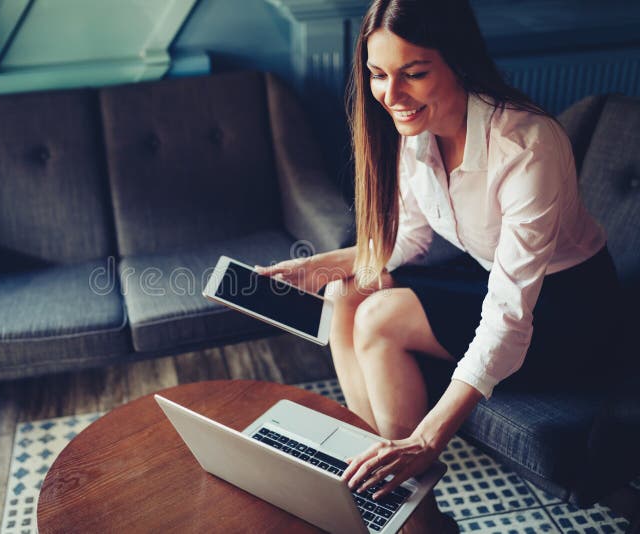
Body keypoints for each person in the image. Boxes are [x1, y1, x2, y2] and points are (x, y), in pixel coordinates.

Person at [256, 0, 620, 531]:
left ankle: (415, 515)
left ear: (457, 61)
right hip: (494, 277)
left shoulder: (526, 146)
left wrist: (429, 440)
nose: (392, 95)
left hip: (570, 311)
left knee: (381, 317)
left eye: (414, 73)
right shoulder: (416, 134)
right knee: (346, 294)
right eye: (379, 75)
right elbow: (409, 243)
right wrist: (319, 268)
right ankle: (377, 478)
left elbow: (509, 315)